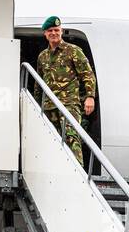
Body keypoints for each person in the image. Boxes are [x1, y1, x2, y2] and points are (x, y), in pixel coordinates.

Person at [35, 16, 96, 164]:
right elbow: (38, 84)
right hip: (48, 106)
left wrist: (90, 97)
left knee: (71, 136)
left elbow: (87, 74)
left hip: (68, 104)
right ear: (45, 33)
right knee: (51, 141)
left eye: (56, 30)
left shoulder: (73, 51)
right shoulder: (42, 56)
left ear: (61, 31)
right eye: (50, 30)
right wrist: (36, 106)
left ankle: (77, 170)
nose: (54, 33)